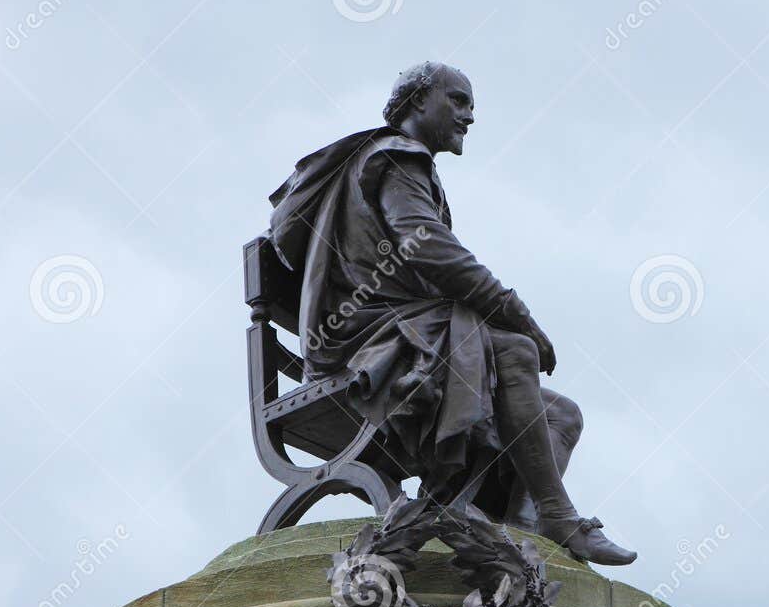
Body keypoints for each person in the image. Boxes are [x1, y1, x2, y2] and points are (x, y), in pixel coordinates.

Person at [263, 62, 635, 565]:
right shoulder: (397, 157)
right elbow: (427, 247)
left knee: (562, 416)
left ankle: (522, 537)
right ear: (419, 101)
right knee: (516, 349)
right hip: (367, 347)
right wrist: (515, 312)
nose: (470, 117)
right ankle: (561, 519)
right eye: (458, 101)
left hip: (392, 335)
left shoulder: (398, 163)